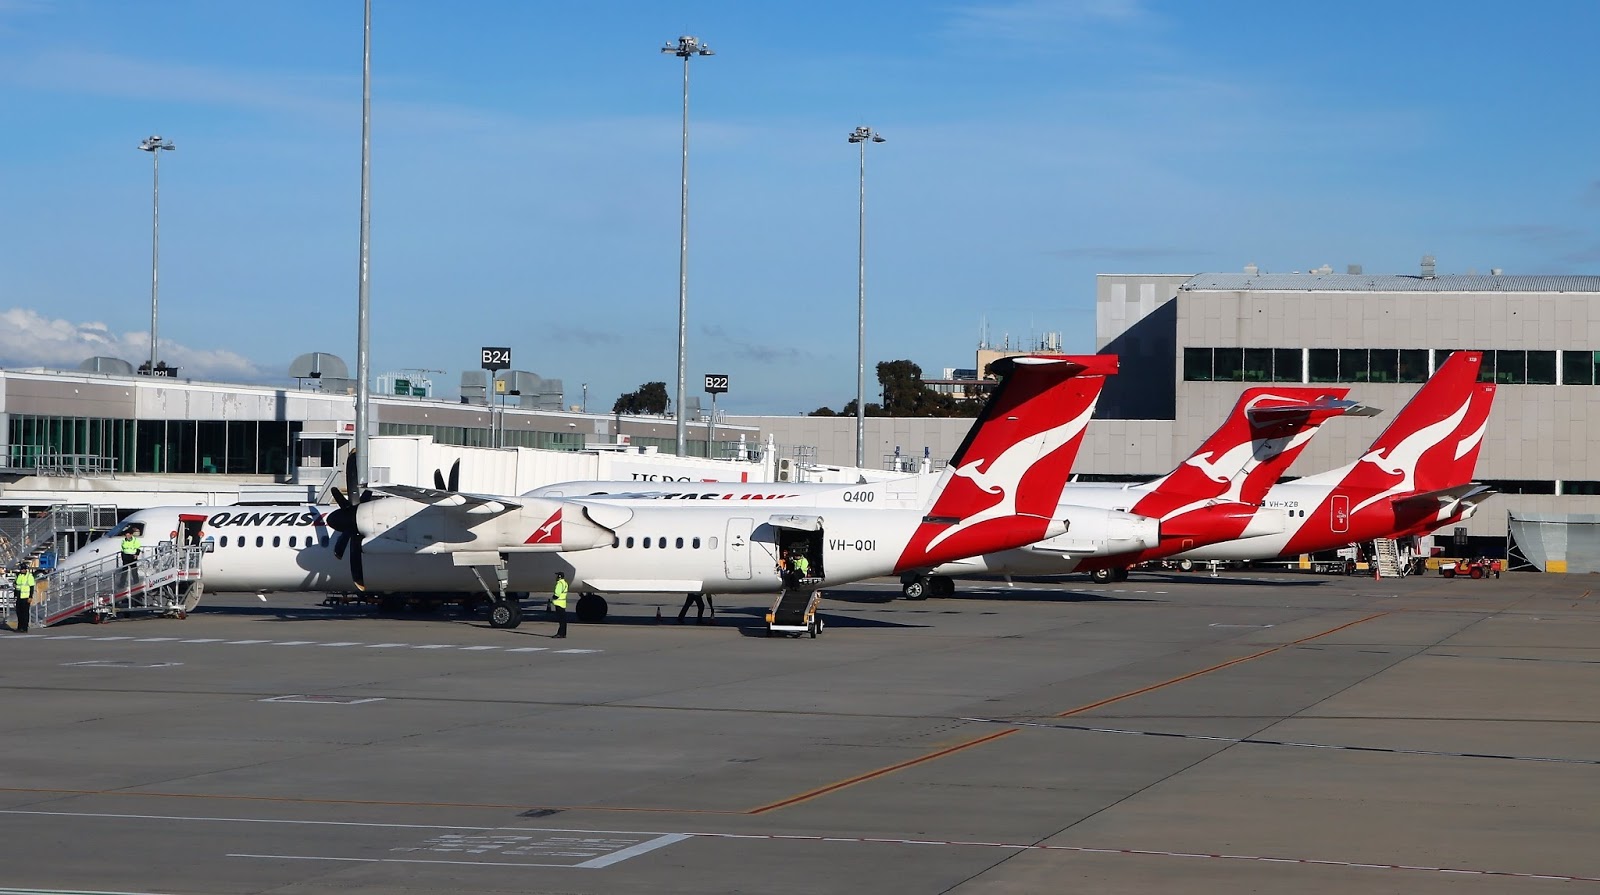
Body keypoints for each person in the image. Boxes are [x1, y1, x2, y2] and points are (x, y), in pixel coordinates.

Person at [12, 565, 35, 633]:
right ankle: (19, 627)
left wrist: (30, 597)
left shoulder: (29, 576)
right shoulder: (18, 575)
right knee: (19, 612)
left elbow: (31, 587)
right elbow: (15, 583)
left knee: (25, 613)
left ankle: (24, 628)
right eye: (21, 569)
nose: (22, 570)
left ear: (26, 569)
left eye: (23, 569)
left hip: (26, 597)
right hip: (19, 596)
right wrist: (14, 586)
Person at [551, 571, 569, 639]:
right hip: (563, 603)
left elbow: (557, 593)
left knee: (560, 620)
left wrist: (553, 597)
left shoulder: (559, 583)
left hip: (558, 603)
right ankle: (563, 633)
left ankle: (560, 634)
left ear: (559, 577)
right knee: (563, 620)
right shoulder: (565, 583)